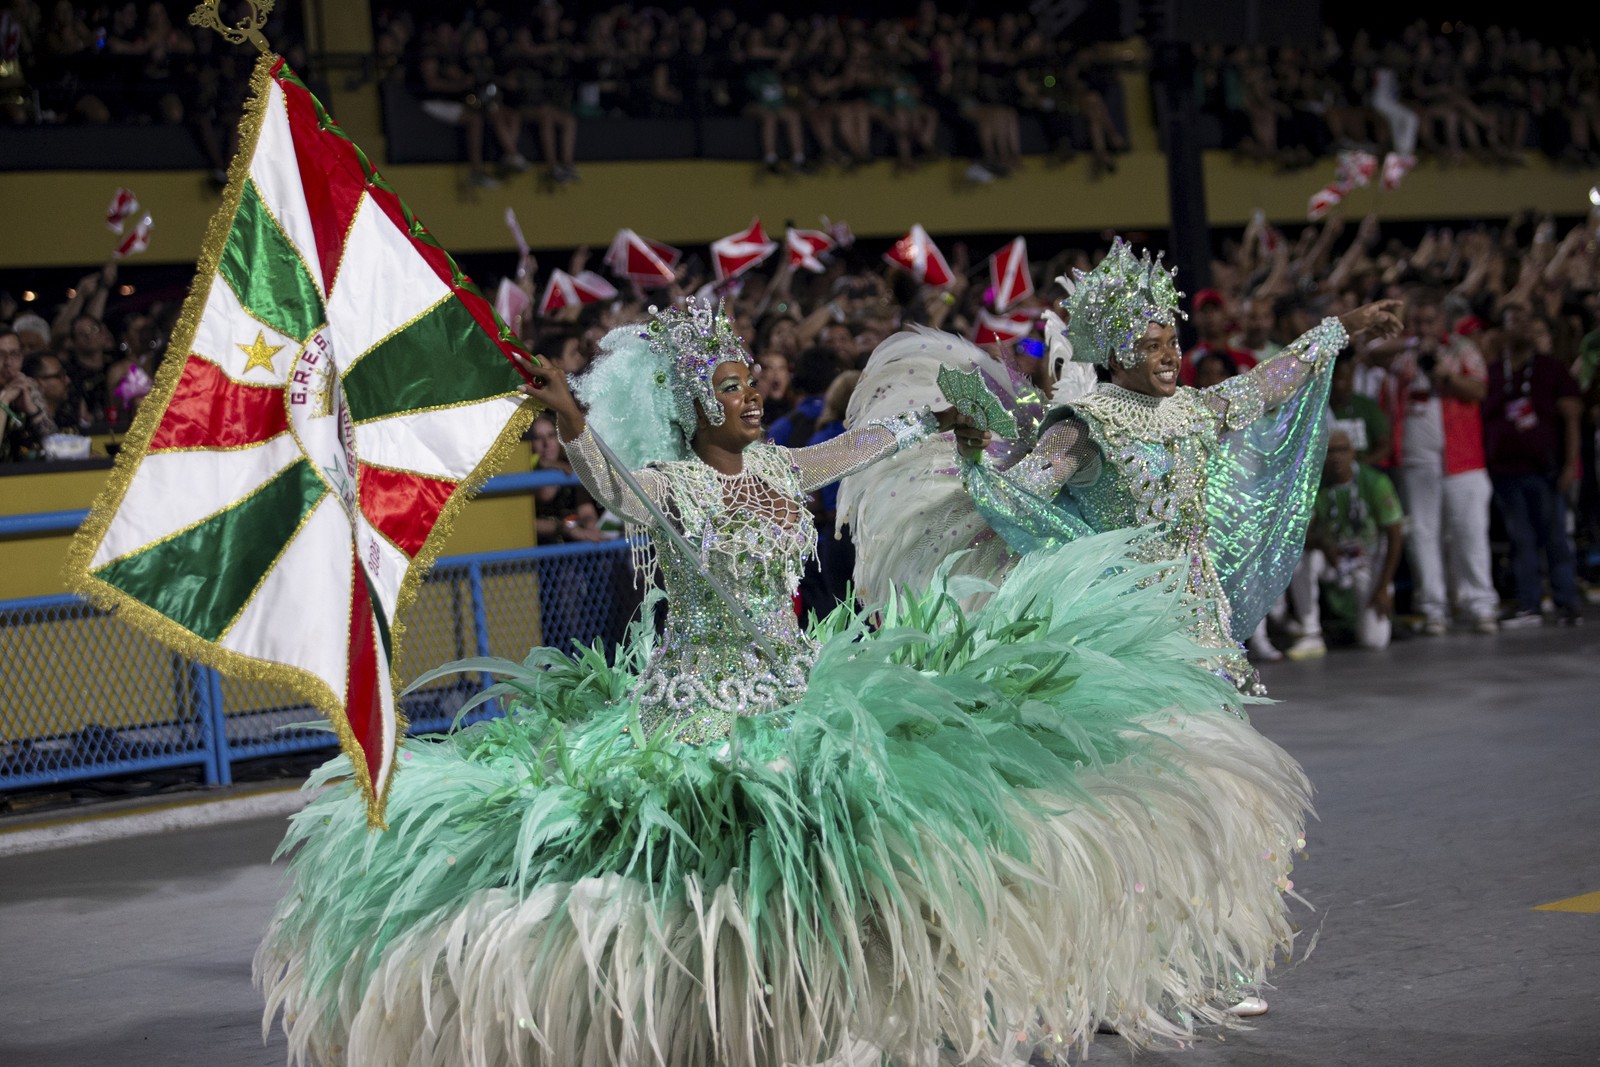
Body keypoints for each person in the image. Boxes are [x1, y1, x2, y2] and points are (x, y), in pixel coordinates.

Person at [258, 299, 1311, 1064]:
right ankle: (717, 1020)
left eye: (753, 379)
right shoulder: (665, 486)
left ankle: (833, 1010)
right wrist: (571, 415)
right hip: (698, 707)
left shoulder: (771, 470)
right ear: (685, 402)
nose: (751, 394)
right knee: (714, 883)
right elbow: (610, 484)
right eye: (728, 384)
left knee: (833, 864)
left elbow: (843, 449)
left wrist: (925, 429)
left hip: (794, 694)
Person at [945, 241, 1403, 692]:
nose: (1169, 357)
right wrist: (973, 460)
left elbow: (1267, 384)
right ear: (1116, 357)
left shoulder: (1195, 410)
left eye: (1172, 343)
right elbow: (1019, 496)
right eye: (1150, 347)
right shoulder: (1085, 426)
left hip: (1201, 612)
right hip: (1128, 620)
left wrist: (1342, 327)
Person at [1372, 289, 1499, 635]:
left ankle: (1480, 604)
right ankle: (1434, 608)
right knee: (1424, 535)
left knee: (1469, 533)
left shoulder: (1462, 350)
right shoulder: (1404, 353)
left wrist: (1446, 374)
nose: (1425, 327)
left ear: (1442, 319)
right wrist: (1413, 344)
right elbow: (1370, 355)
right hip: (1417, 460)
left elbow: (1479, 391)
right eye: (1419, 321)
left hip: (1463, 460)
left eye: (1431, 321)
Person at [1484, 302, 1584, 626]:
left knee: (1555, 538)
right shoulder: (1494, 371)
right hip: (1505, 472)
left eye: (1527, 322)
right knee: (1520, 540)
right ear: (1503, 331)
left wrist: (1571, 464)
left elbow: (1572, 419)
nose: (1522, 329)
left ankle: (1566, 602)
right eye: (1514, 322)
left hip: (1546, 470)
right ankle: (1529, 604)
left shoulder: (1552, 368)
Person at [1285, 429, 1406, 656]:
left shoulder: (1374, 482)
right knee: (1300, 557)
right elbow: (1302, 535)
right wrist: (1323, 544)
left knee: (1374, 640)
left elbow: (1395, 536)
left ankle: (1360, 620)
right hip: (1334, 557)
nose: (1336, 457)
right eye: (1329, 452)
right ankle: (1311, 633)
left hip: (1367, 562)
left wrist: (1383, 586)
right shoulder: (1315, 485)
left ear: (1353, 453)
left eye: (1342, 450)